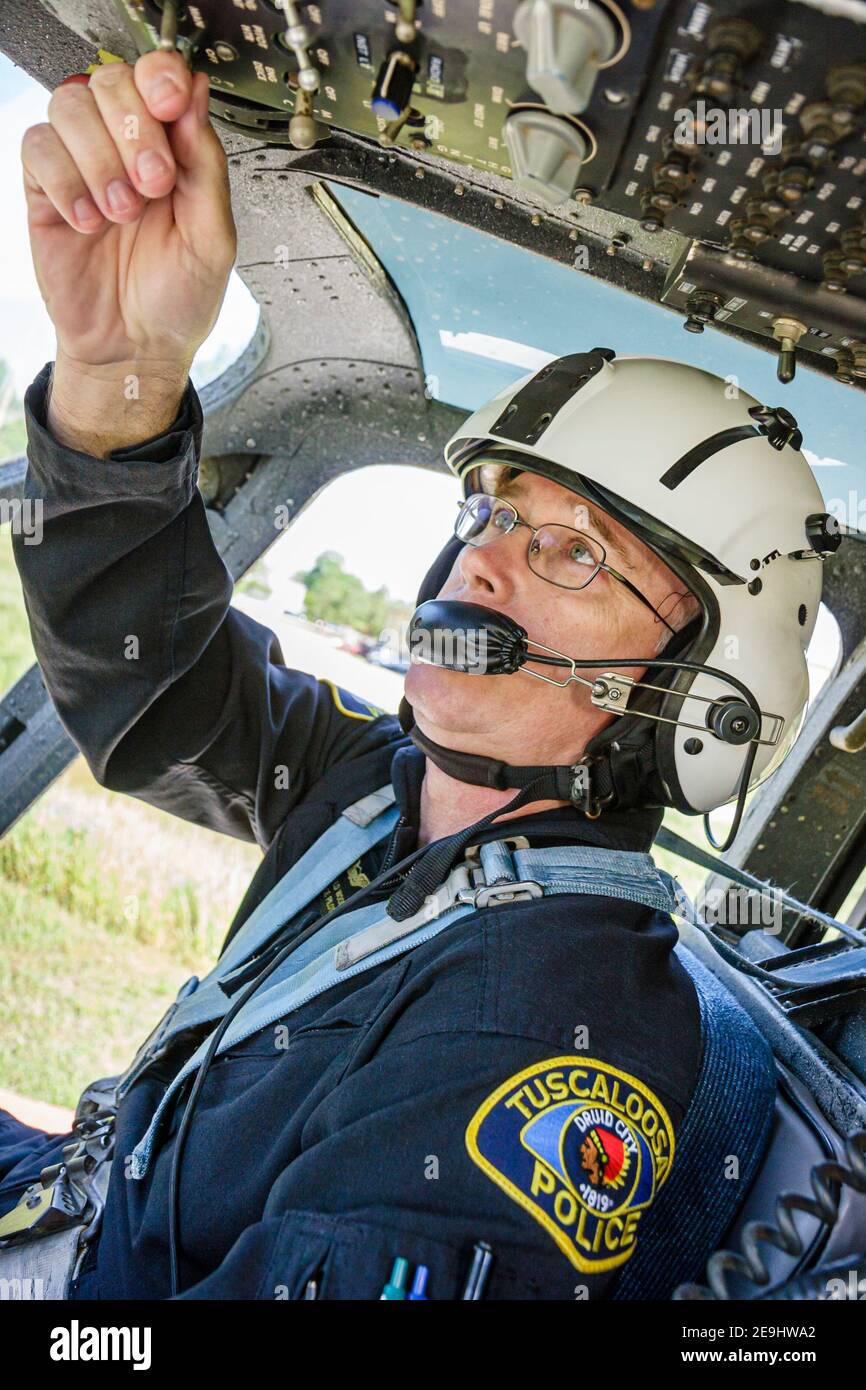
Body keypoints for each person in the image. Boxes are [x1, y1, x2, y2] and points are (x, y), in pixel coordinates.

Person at [2, 47, 834, 1300]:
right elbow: (154, 689)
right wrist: (121, 370)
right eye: (491, 512)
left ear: (700, 701)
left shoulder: (549, 1025)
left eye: (572, 551)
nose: (480, 560)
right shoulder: (376, 791)